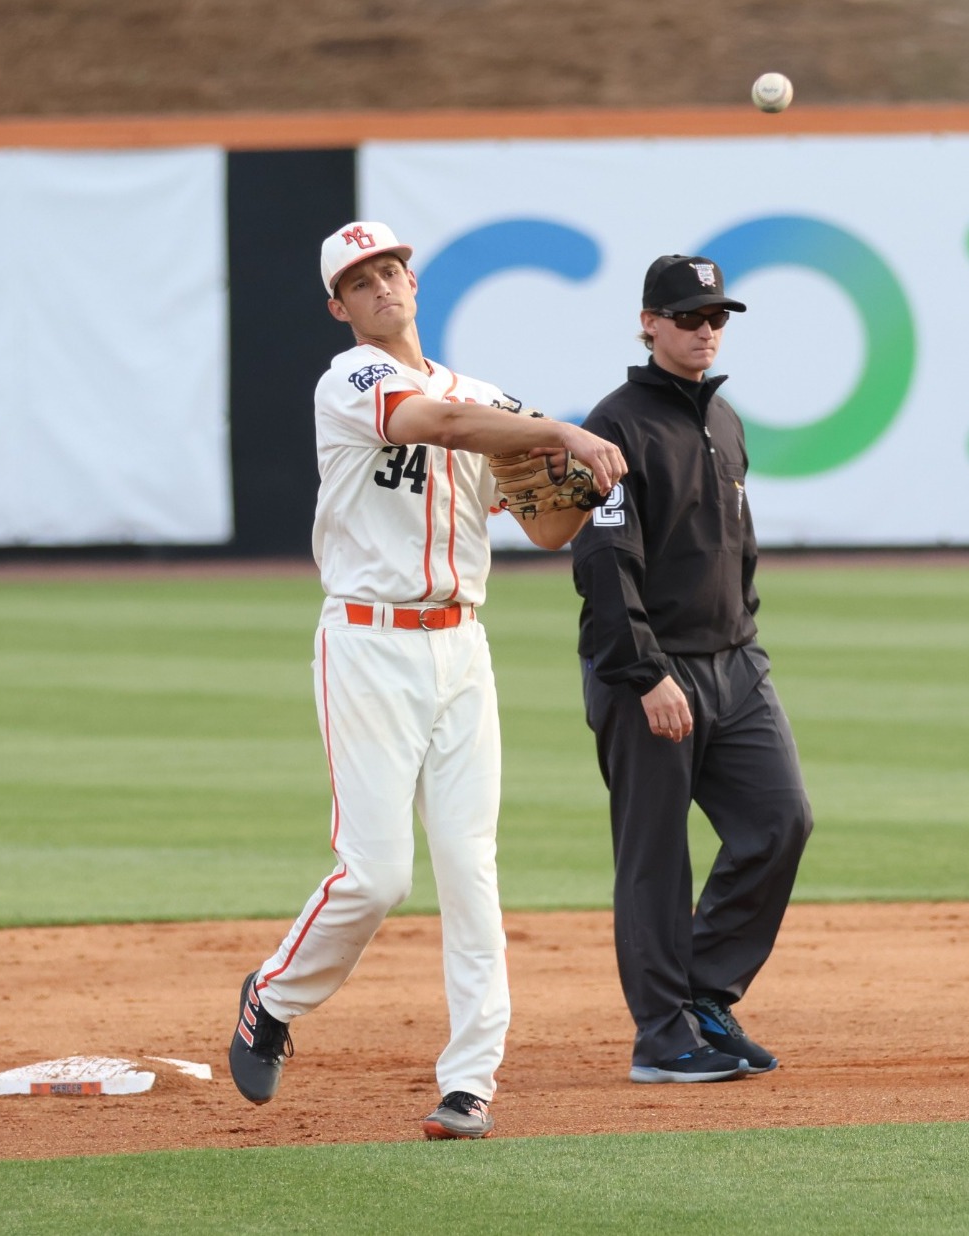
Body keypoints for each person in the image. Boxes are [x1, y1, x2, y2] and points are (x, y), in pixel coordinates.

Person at [227, 220, 626, 1139]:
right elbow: (435, 424)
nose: (383, 284)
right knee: (374, 878)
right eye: (361, 279)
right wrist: (561, 427)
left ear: (413, 278)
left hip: (461, 648)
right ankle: (274, 996)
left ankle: (470, 1083)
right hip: (367, 642)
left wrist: (584, 480)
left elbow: (548, 529)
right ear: (340, 306)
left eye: (392, 267)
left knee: (469, 869)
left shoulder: (485, 396)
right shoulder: (352, 380)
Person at [569, 254, 814, 1084]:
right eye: (687, 317)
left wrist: (743, 641)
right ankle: (660, 1036)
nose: (704, 330)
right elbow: (604, 566)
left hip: (735, 666)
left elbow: (735, 549)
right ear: (648, 322)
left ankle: (704, 994)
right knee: (654, 858)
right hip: (650, 672)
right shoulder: (615, 427)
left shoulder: (726, 420)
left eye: (716, 317)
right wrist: (644, 675)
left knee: (780, 822)